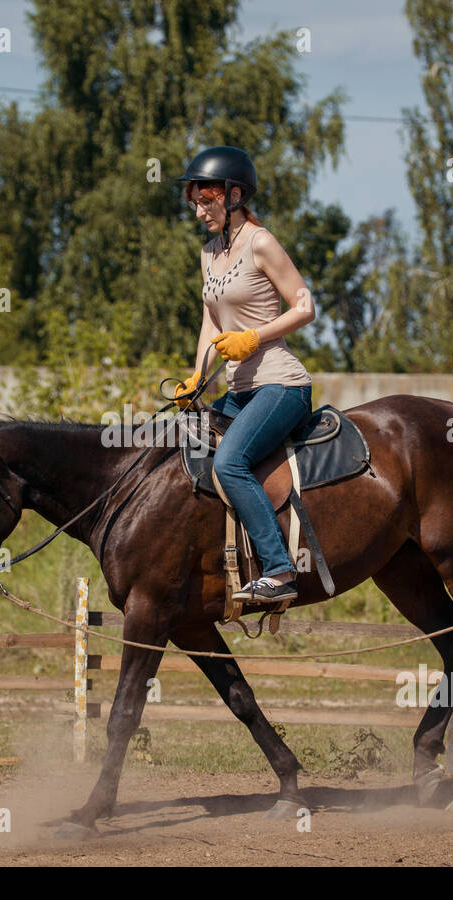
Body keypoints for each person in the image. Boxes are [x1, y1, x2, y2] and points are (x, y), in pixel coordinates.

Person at [171, 146, 316, 604]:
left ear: (234, 196)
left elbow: (305, 306)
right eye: (195, 201)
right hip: (238, 391)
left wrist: (253, 337)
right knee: (178, 441)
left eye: (207, 200)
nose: (200, 210)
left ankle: (279, 571)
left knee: (229, 463)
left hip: (280, 385)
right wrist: (197, 380)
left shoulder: (260, 241)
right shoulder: (209, 253)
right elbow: (211, 324)